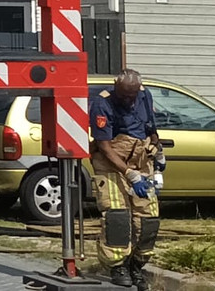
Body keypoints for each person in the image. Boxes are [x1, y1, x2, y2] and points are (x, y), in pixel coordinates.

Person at [90, 69, 165, 289]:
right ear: (116, 86)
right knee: (118, 217)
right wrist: (130, 175)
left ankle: (137, 264)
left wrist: (158, 153)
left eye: (131, 96)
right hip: (112, 167)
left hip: (142, 163)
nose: (127, 100)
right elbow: (104, 146)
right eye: (123, 95)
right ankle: (117, 265)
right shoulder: (102, 104)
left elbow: (150, 127)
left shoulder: (144, 96)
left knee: (149, 219)